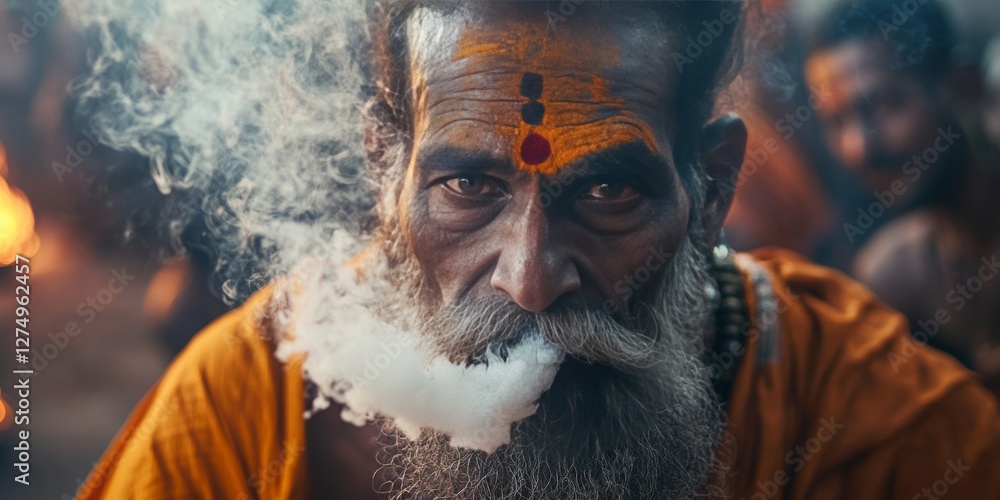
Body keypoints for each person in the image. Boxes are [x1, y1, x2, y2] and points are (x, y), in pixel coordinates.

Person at [78, 1, 1000, 498]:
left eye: (607, 191)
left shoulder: (859, 411)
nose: (528, 279)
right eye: (468, 186)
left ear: (713, 188)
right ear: (386, 169)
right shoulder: (251, 407)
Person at [805, 0, 1000, 393]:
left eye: (884, 105)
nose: (858, 148)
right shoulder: (887, 278)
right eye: (835, 120)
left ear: (963, 86)